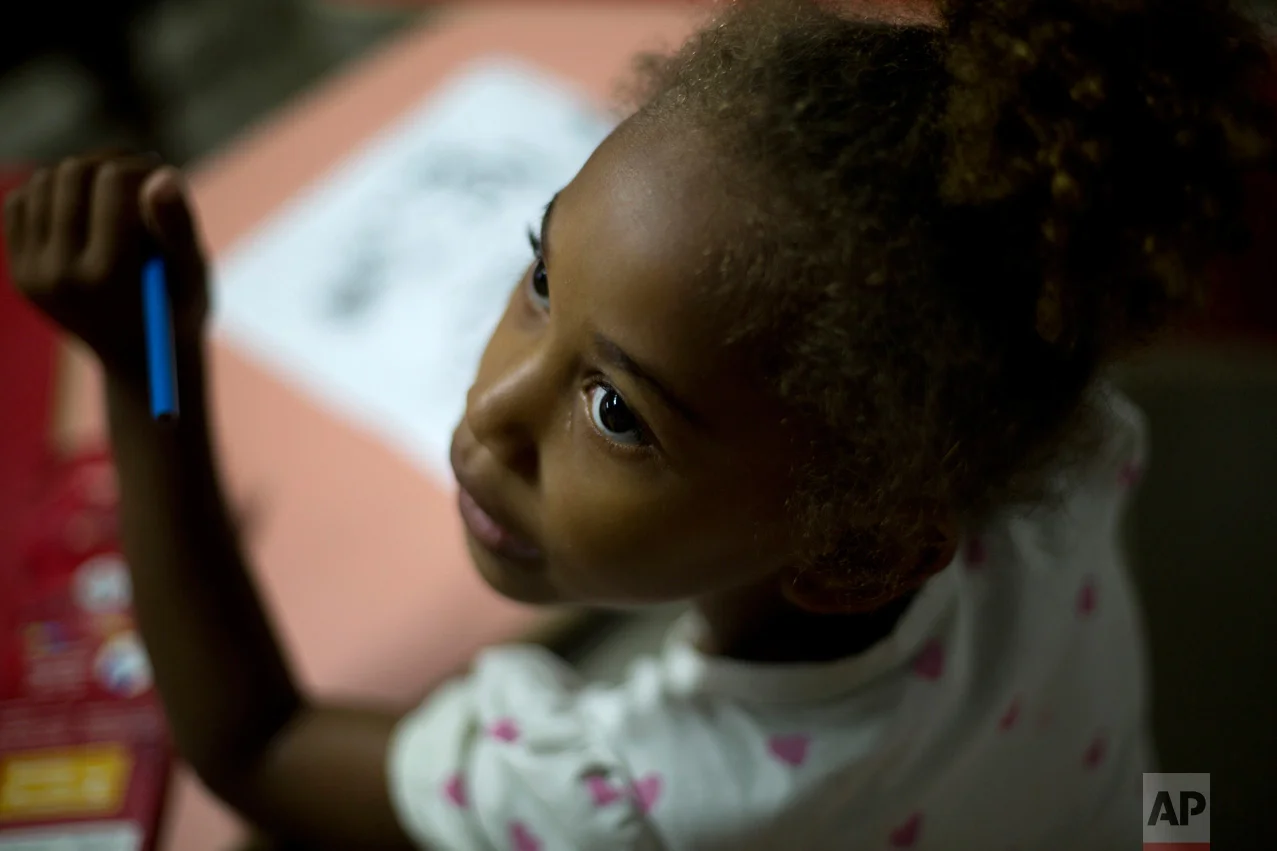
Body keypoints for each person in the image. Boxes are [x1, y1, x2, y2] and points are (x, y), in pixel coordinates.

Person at [4, 0, 1272, 848]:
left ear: (850, 554)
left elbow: (257, 743)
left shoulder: (623, 804)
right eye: (539, 274)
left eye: (616, 410)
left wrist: (143, 362)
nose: (486, 415)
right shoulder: (1059, 445)